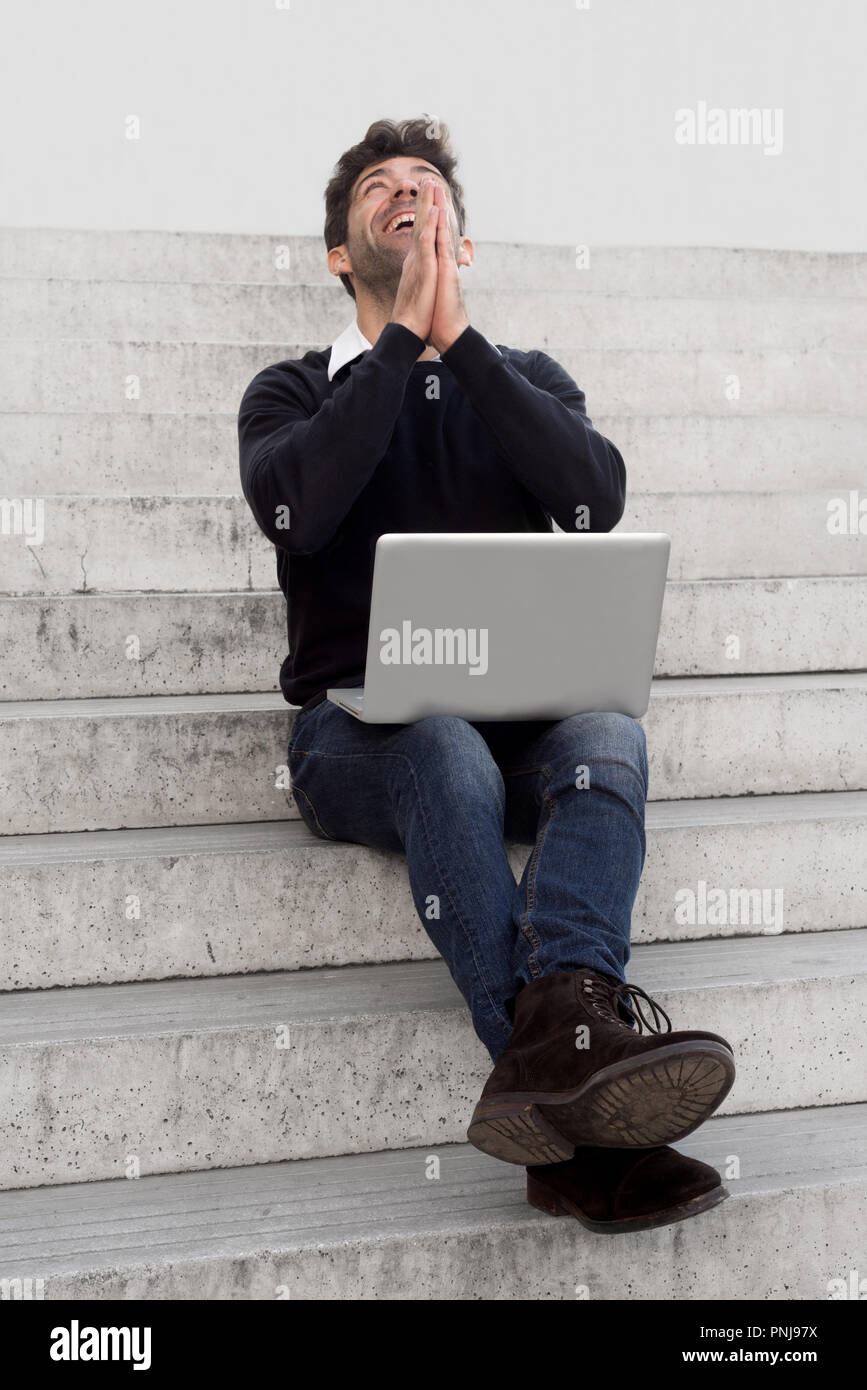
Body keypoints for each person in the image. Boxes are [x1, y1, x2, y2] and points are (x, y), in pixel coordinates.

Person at [238, 117, 736, 1234]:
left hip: (521, 724)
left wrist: (457, 345)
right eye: (381, 187)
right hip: (356, 733)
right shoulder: (291, 393)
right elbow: (301, 510)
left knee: (610, 734)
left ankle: (563, 1092)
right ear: (339, 251)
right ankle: (582, 1066)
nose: (408, 193)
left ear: (461, 237)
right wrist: (399, 341)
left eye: (429, 184)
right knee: (439, 739)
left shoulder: (523, 378)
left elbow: (589, 501)